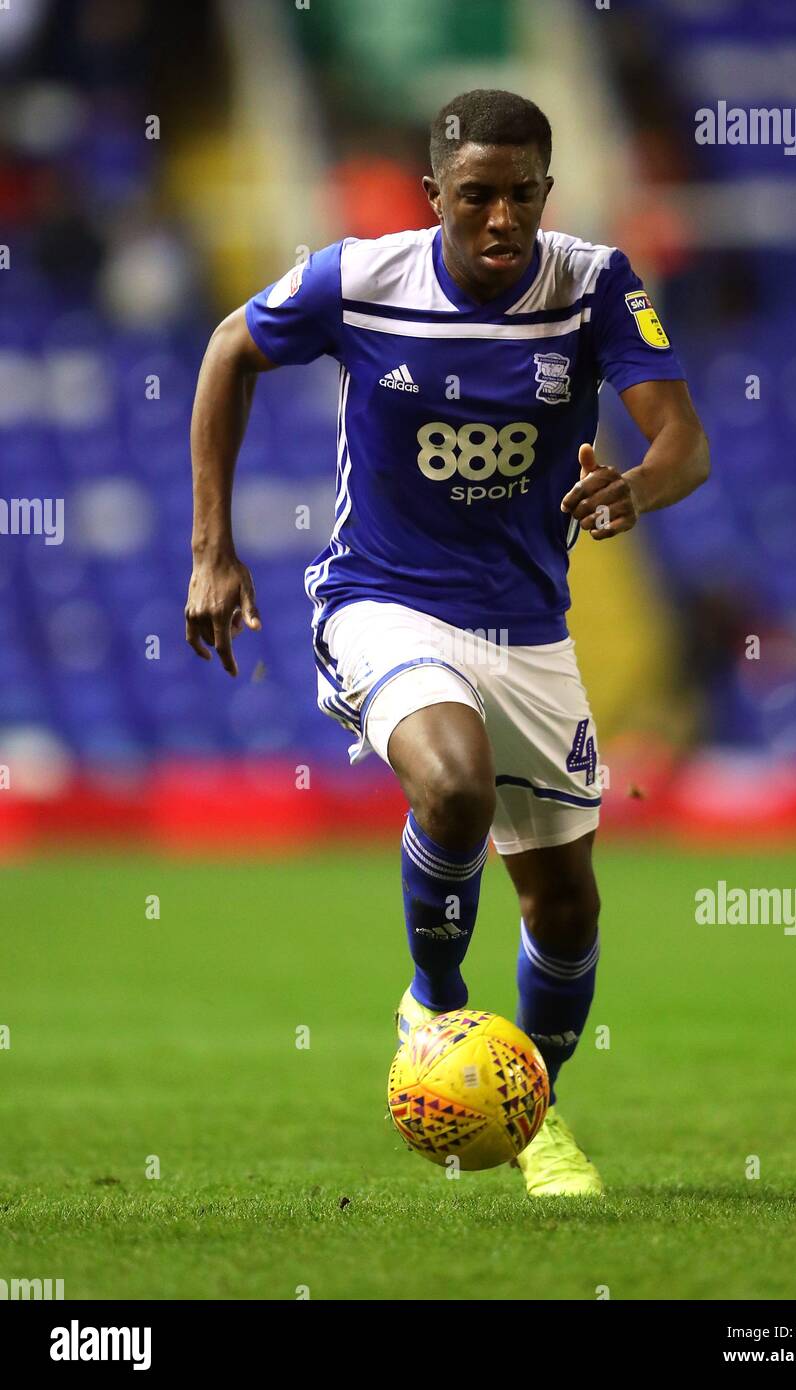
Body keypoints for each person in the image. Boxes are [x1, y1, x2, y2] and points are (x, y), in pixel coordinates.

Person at [186, 89, 710, 1196]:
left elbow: (682, 442)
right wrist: (210, 551)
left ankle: (534, 1119)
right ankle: (432, 997)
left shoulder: (592, 283)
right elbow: (231, 346)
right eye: (475, 196)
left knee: (563, 905)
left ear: (546, 193)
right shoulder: (361, 280)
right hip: (383, 601)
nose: (500, 219)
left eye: (521, 194)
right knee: (454, 785)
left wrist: (634, 490)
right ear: (434, 196)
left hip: (528, 626)